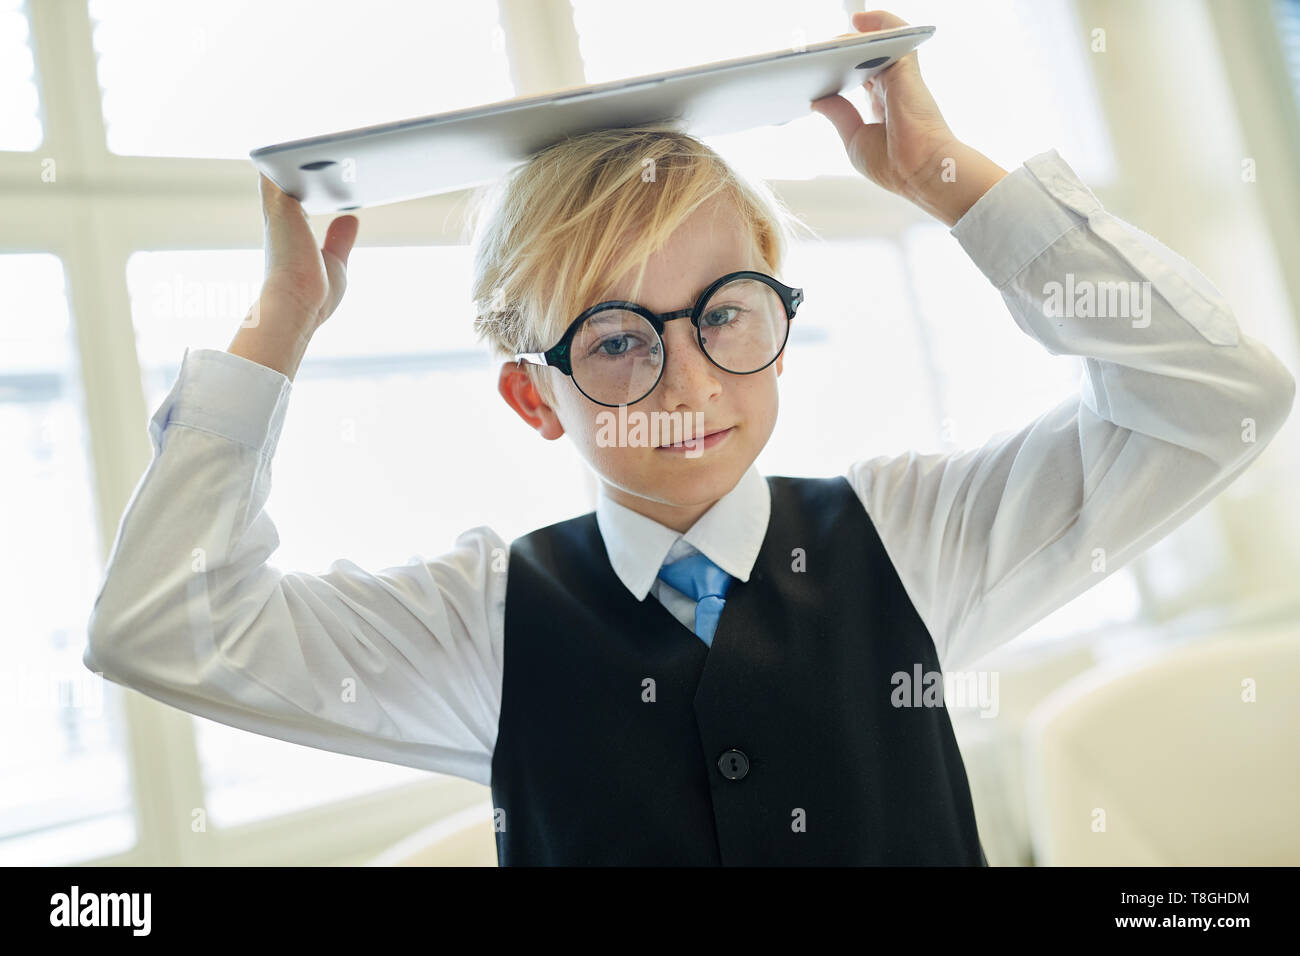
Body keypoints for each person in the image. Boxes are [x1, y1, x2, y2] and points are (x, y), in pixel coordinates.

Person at [83, 10, 1295, 865]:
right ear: (532, 396)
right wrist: (275, 328)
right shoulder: (481, 623)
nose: (691, 376)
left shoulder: (913, 540)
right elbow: (161, 626)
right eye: (616, 339)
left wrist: (948, 178)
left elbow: (1213, 396)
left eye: (725, 312)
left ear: (777, 317)